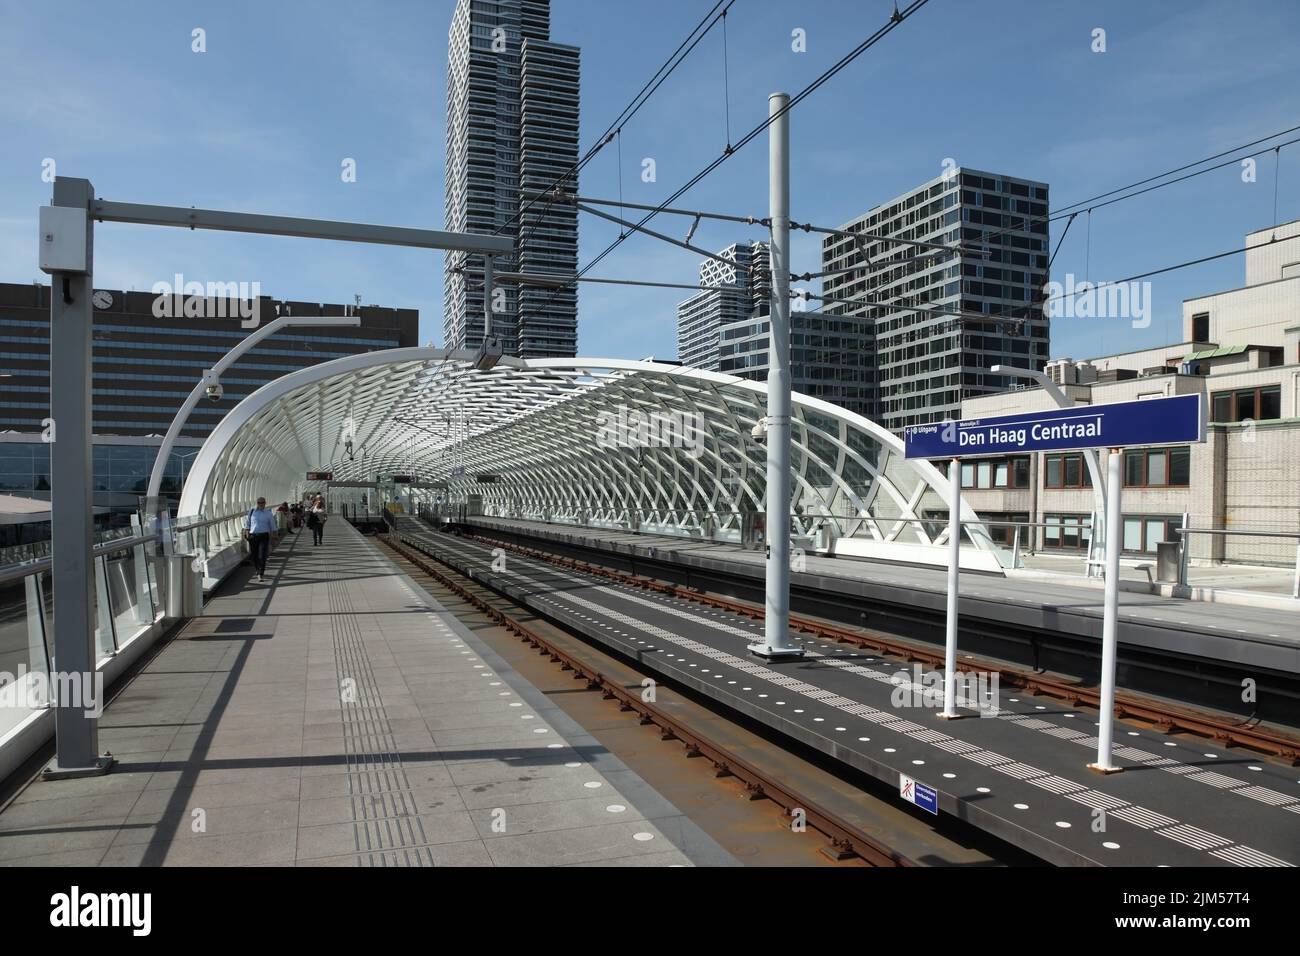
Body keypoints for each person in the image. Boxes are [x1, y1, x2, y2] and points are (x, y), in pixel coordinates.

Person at [244, 497, 277, 582]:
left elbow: (272, 524)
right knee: (254, 555)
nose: (261, 504)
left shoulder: (268, 513)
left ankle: (260, 573)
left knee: (262, 555)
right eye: (259, 502)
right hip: (253, 536)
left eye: (262, 502)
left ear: (265, 503)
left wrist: (274, 534)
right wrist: (247, 531)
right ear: (257, 503)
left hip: (264, 536)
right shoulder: (252, 511)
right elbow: (247, 522)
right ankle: (257, 570)